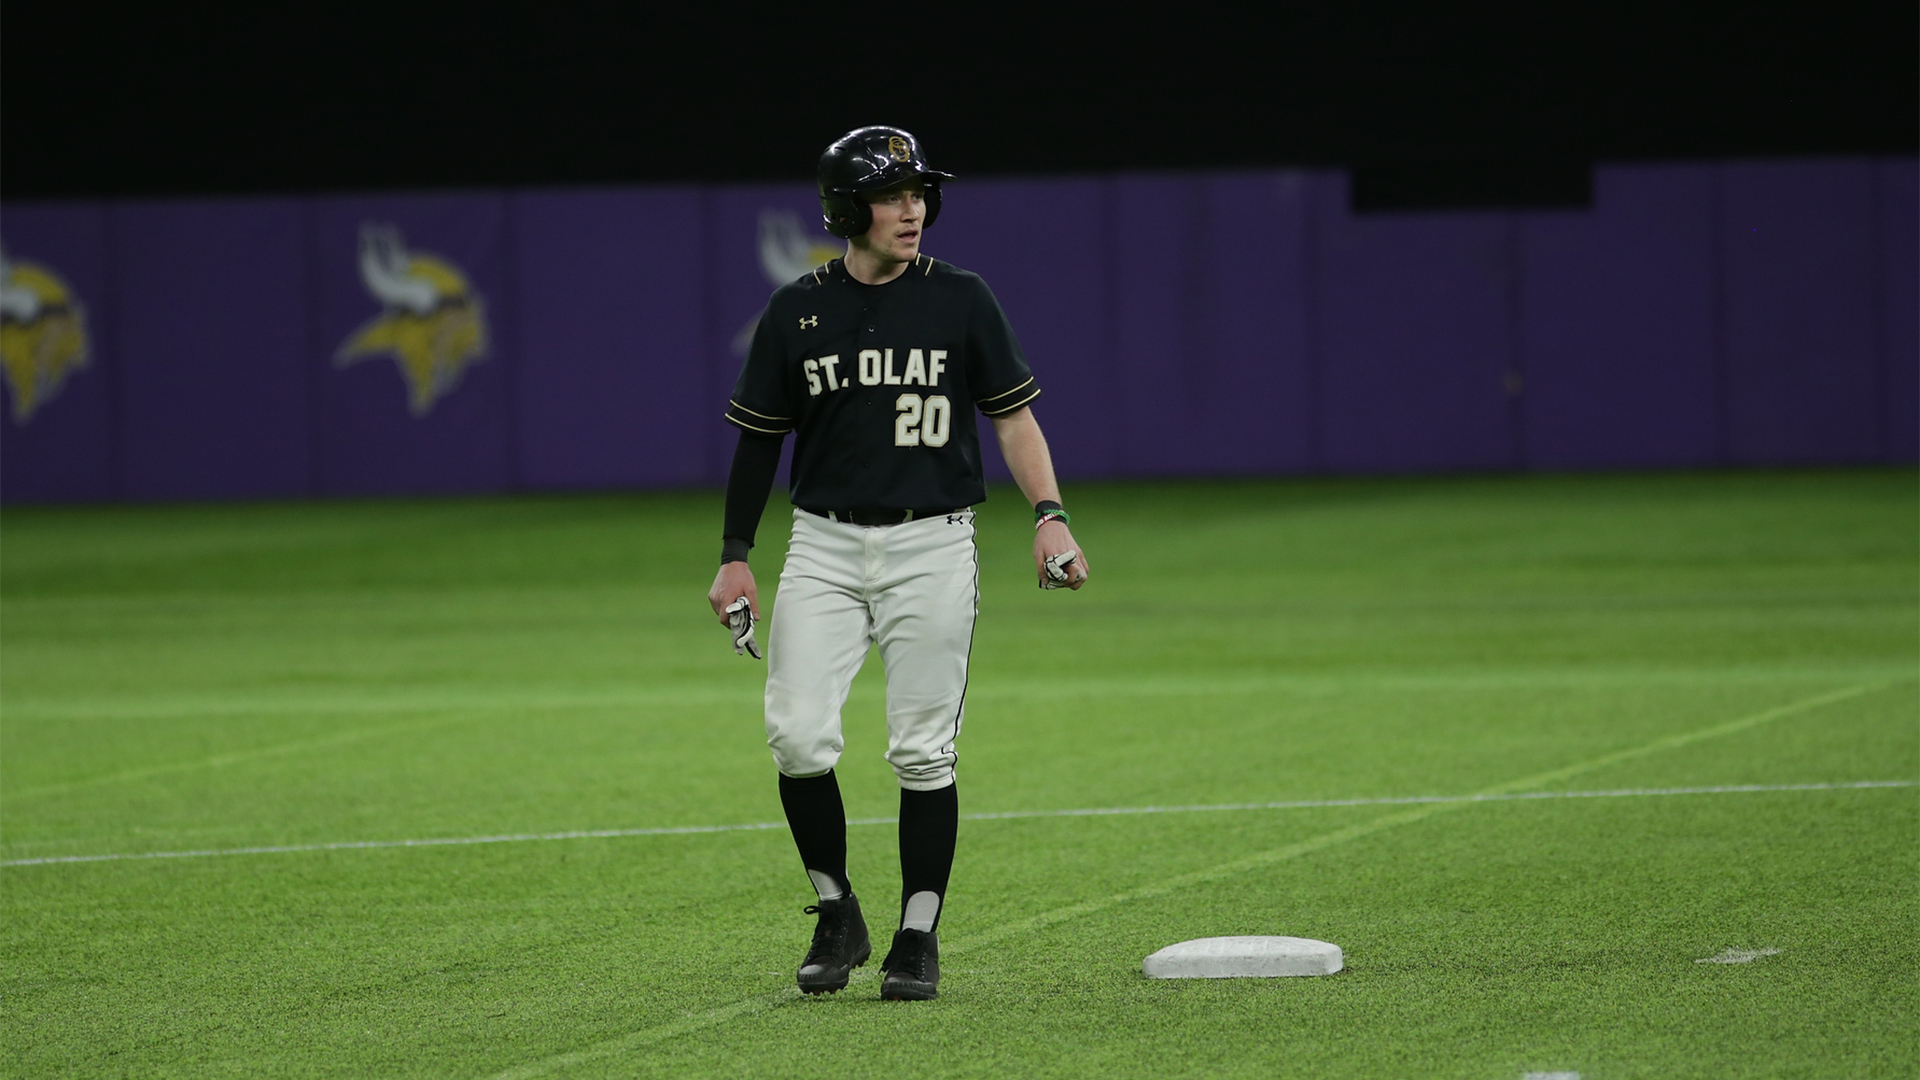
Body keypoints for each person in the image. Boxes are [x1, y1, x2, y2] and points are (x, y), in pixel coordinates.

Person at [706, 125, 1088, 1001]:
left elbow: (1013, 419)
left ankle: (918, 935)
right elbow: (759, 445)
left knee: (922, 752)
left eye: (919, 191)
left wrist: (1051, 515)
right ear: (848, 208)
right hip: (824, 545)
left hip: (933, 542)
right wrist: (735, 556)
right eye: (893, 193)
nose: (913, 207)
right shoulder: (796, 310)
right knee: (798, 738)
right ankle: (836, 910)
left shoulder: (961, 298)